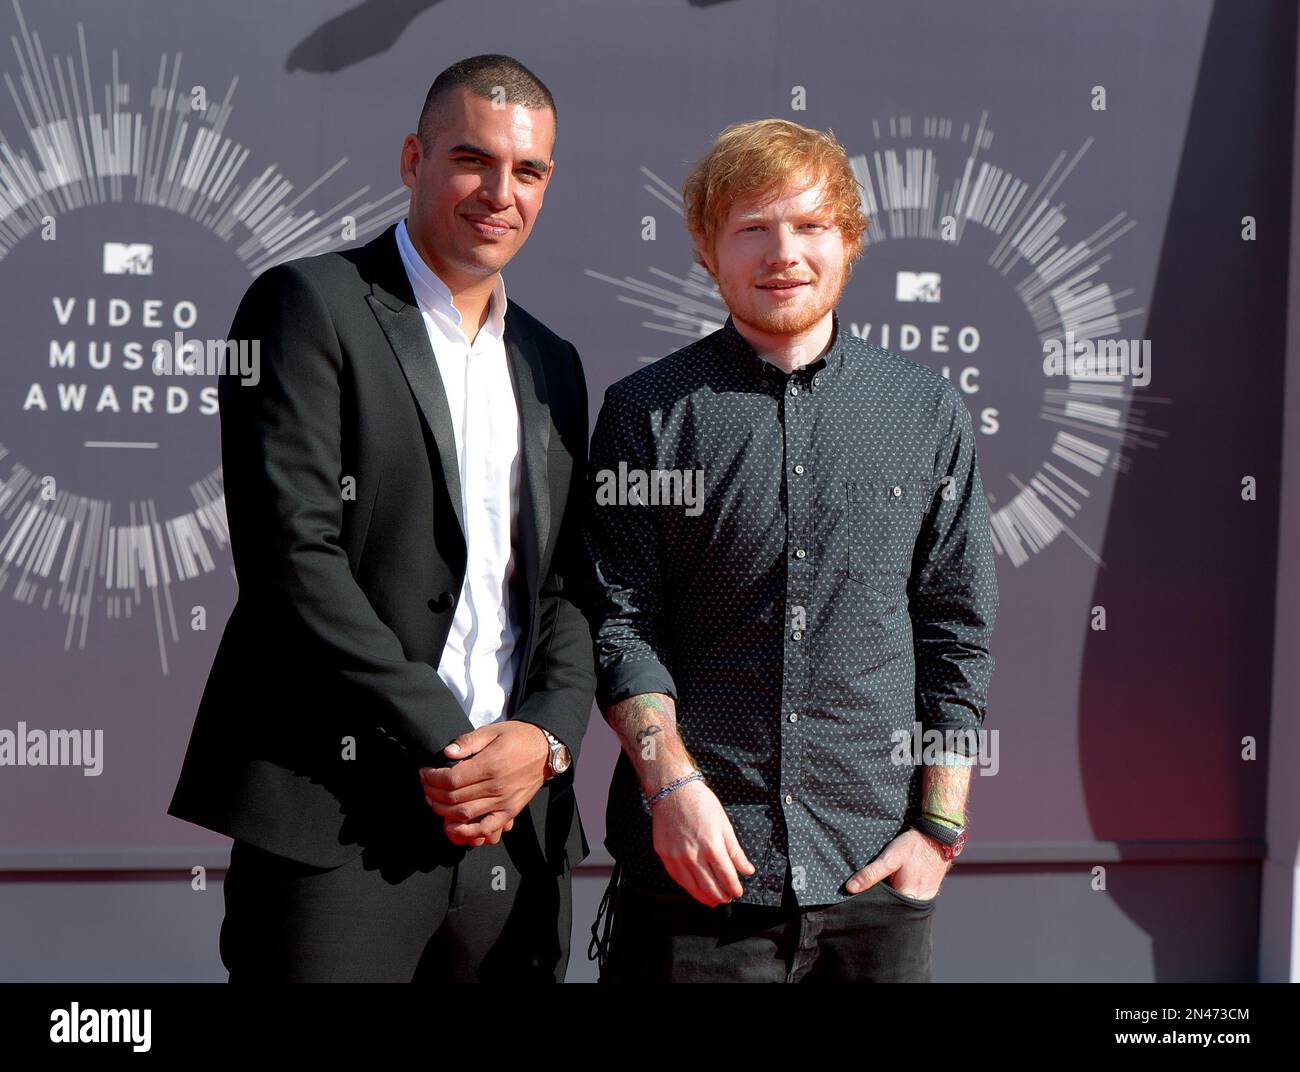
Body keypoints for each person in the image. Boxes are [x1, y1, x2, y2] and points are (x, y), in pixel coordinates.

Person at [167, 54, 595, 982]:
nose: (500, 192)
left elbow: (566, 583)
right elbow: (294, 562)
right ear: (413, 159)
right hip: (338, 819)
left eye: (528, 172)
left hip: (513, 831)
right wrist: (456, 741)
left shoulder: (552, 362)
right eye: (472, 160)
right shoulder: (304, 307)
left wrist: (544, 738)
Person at [584, 117, 999, 983]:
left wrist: (939, 831)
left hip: (877, 884)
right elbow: (622, 626)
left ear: (850, 239)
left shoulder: (926, 413)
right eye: (753, 229)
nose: (785, 254)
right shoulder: (648, 413)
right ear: (706, 248)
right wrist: (672, 791)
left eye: (811, 226)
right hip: (695, 877)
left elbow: (956, 633)